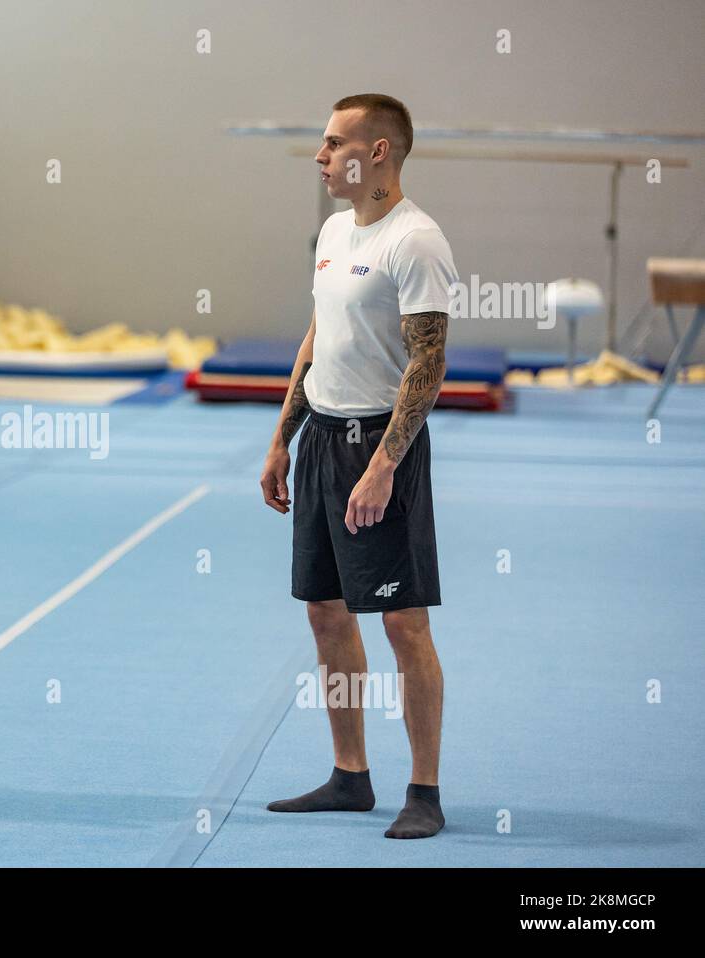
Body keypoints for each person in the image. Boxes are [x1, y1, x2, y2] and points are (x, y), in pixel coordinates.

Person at [260, 94, 456, 839]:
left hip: (382, 447)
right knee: (326, 612)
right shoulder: (336, 229)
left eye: (334, 141)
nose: (320, 155)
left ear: (377, 153)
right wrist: (283, 438)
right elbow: (317, 337)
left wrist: (383, 466)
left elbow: (429, 365)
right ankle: (350, 775)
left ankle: (425, 791)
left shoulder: (416, 241)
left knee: (403, 622)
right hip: (321, 441)